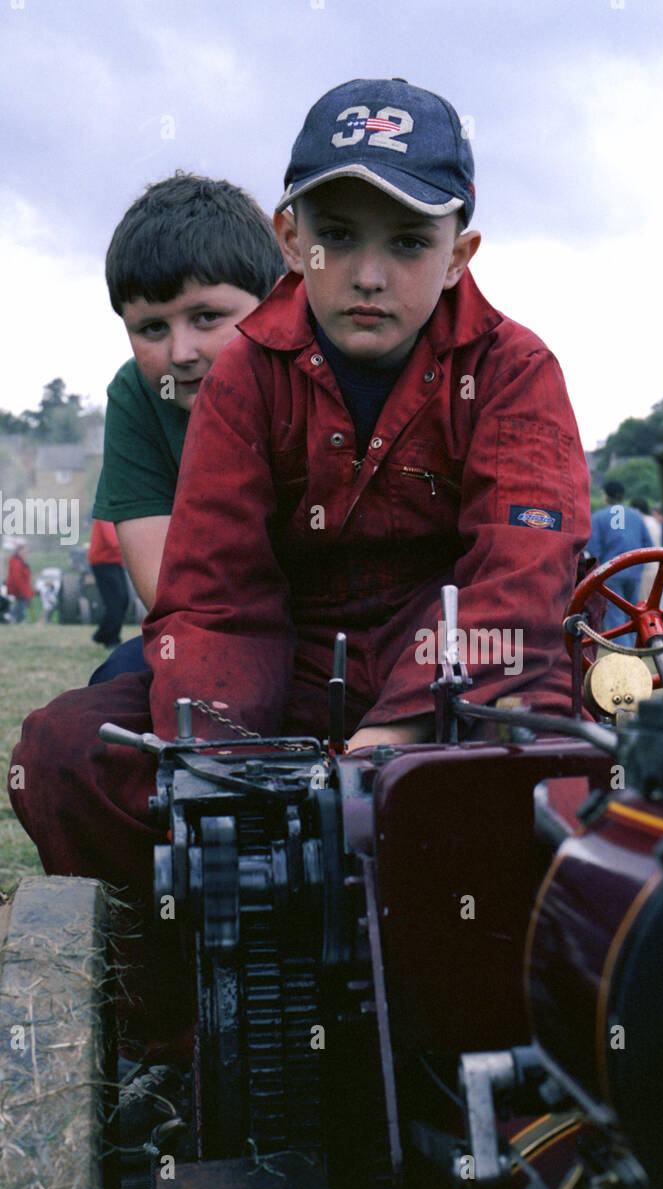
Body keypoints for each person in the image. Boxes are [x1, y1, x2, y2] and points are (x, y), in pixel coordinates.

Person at [9, 76, 590, 1060]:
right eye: (339, 236)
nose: (369, 273)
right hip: (289, 684)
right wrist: (229, 772)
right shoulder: (245, 370)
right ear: (290, 241)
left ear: (461, 253)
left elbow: (517, 574)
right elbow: (220, 593)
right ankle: (192, 1031)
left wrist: (390, 740)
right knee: (65, 754)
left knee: (573, 814)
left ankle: (513, 1047)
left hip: (458, 677)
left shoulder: (514, 367)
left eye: (407, 242)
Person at [89, 172, 285, 683]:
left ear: (276, 300)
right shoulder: (135, 396)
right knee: (114, 683)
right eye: (152, 328)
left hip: (347, 636)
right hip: (218, 632)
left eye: (206, 317)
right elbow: (167, 593)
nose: (181, 353)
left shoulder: (316, 371)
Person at [586, 480, 653, 645]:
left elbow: (593, 547)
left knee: (615, 615)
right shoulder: (636, 515)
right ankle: (635, 650)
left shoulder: (598, 517)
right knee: (632, 613)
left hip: (611, 570)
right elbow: (648, 543)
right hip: (634, 569)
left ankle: (626, 653)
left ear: (606, 496)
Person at [88, 519, 129, 650]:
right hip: (103, 564)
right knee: (115, 602)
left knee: (123, 600)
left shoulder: (117, 515)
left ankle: (102, 634)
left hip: (115, 563)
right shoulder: (105, 515)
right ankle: (110, 639)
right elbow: (113, 541)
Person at [5, 541, 34, 623]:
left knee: (23, 603)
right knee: (22, 603)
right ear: (19, 551)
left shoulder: (20, 561)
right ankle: (11, 615)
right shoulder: (16, 561)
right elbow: (16, 577)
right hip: (18, 587)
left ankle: (18, 620)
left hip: (23, 587)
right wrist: (21, 590)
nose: (25, 552)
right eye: (24, 550)